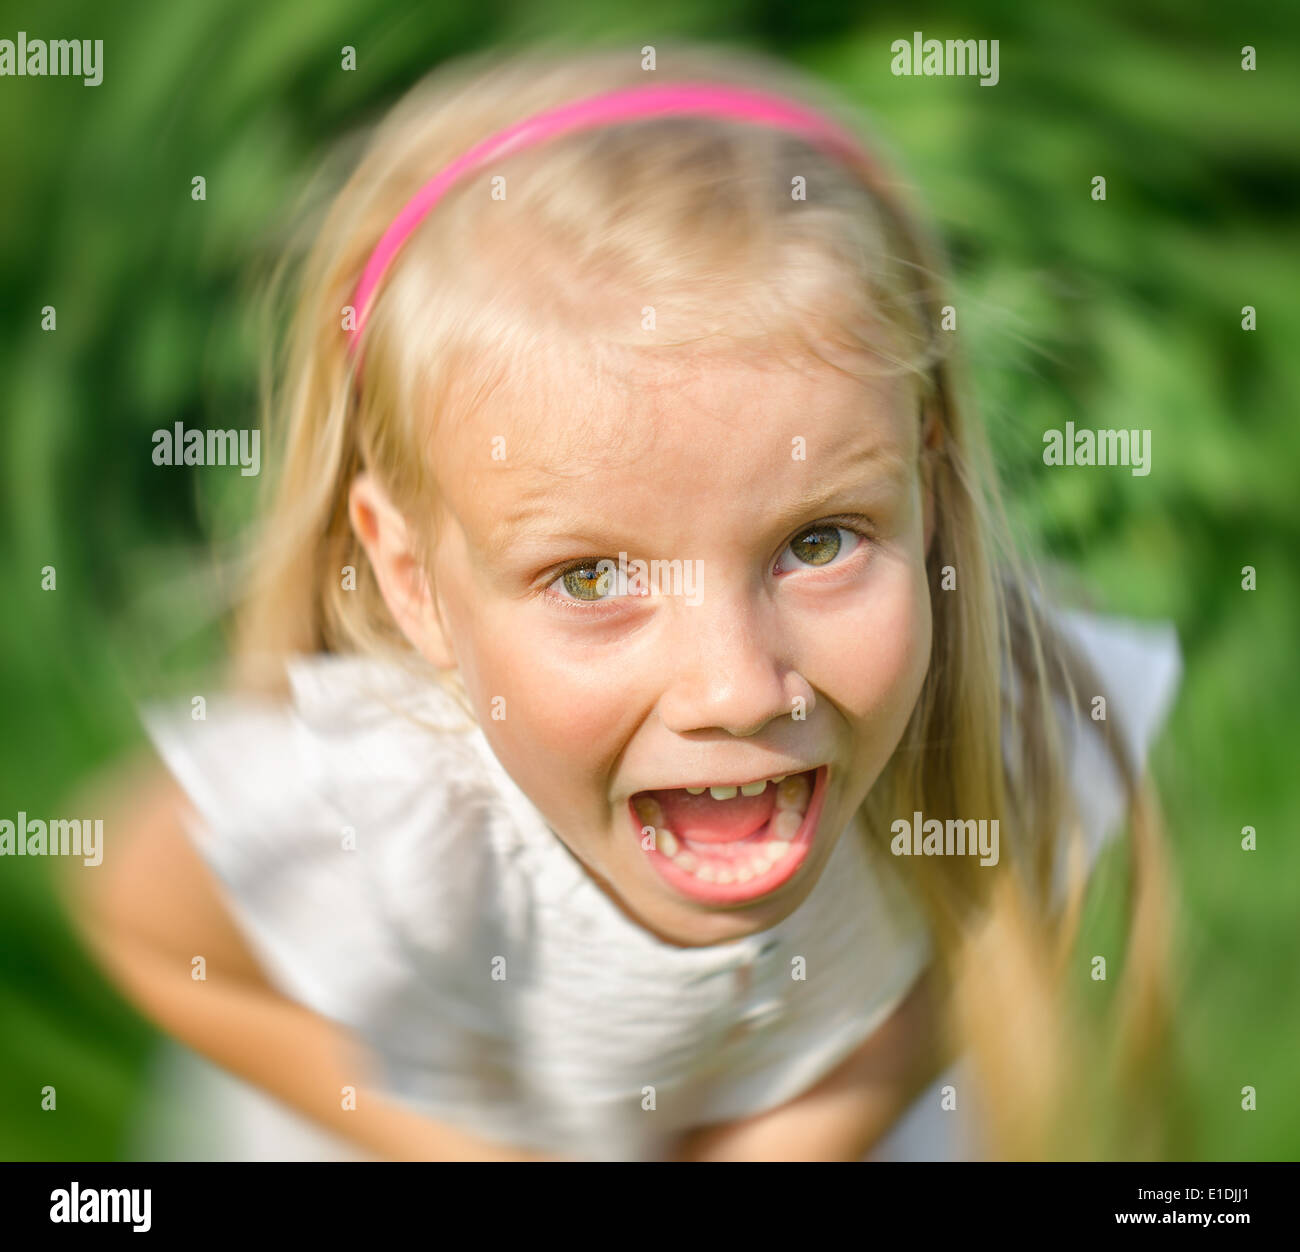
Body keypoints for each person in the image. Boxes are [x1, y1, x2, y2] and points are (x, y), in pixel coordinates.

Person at [60, 41, 1181, 1162]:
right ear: (414, 583)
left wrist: (800, 1138)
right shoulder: (394, 808)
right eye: (590, 577)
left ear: (925, 493)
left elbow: (963, 928)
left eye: (818, 540)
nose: (737, 687)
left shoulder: (989, 718)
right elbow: (143, 921)